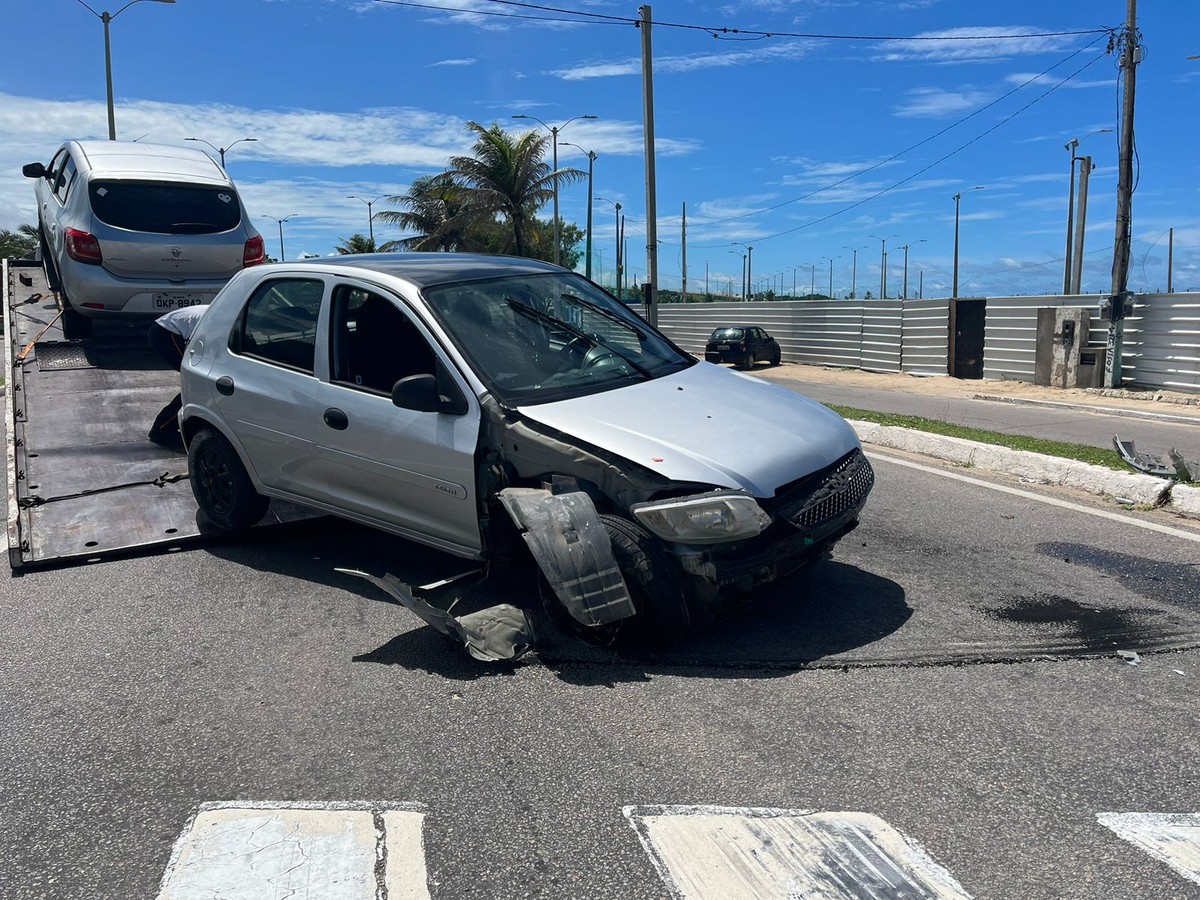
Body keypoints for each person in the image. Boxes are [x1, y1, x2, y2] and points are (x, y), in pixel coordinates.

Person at [147, 304, 209, 449]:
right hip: (167, 332)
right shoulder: (226, 319)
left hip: (171, 329)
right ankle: (161, 430)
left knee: (200, 383)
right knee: (197, 384)